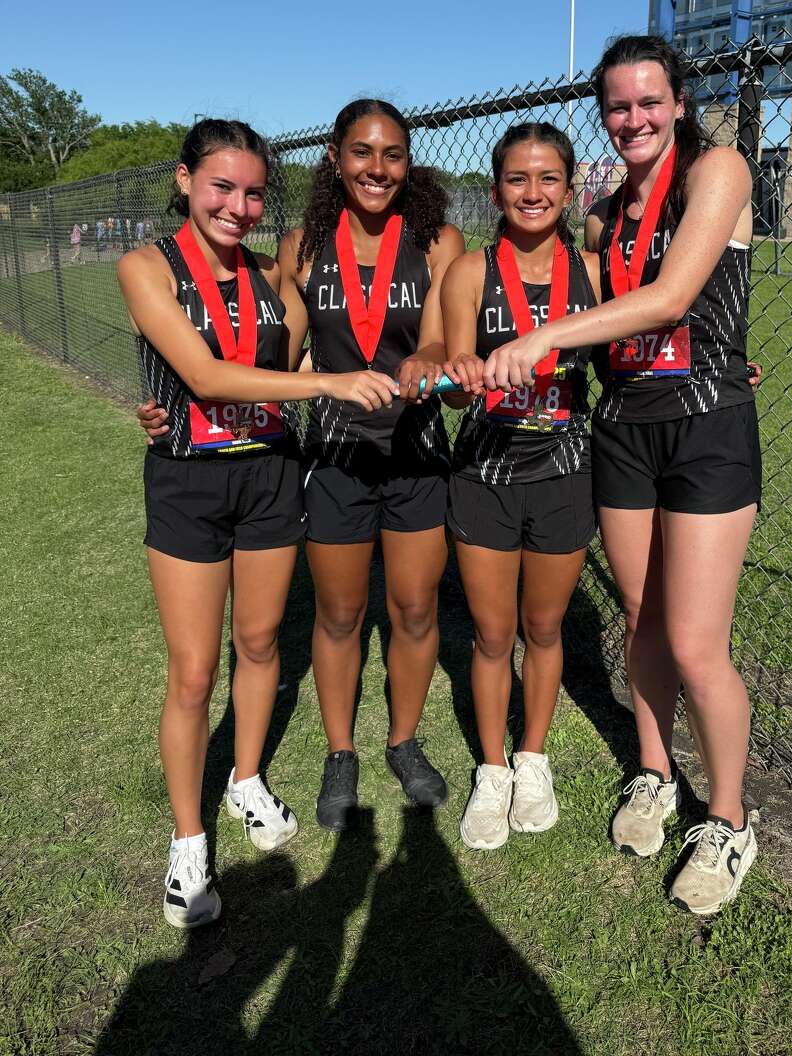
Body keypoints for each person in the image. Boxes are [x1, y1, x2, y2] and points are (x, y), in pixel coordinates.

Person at [483, 35, 761, 915]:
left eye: (649, 101)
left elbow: (677, 297)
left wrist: (544, 338)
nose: (634, 118)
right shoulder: (608, 208)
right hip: (625, 430)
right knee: (641, 614)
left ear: (678, 101)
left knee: (695, 642)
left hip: (706, 432)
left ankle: (728, 819)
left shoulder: (716, 170)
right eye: (617, 105)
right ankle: (653, 771)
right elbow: (609, 295)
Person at [118, 119, 398, 929]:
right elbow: (203, 377)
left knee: (261, 644)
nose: (237, 206)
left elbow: (302, 355)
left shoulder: (275, 278)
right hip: (189, 484)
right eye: (220, 188)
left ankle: (244, 778)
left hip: (272, 475)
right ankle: (188, 837)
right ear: (184, 181)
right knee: (194, 671)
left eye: (250, 192)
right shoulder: (146, 267)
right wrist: (334, 386)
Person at [276, 99, 464, 830]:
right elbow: (281, 354)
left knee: (414, 609)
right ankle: (340, 750)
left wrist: (429, 356)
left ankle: (404, 740)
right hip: (335, 455)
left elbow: (446, 344)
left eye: (391, 154)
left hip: (417, 453)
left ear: (407, 163)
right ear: (334, 156)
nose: (377, 168)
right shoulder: (303, 247)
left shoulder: (437, 241)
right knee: (341, 611)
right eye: (362, 152)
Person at [441, 123, 601, 849]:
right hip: (485, 474)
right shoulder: (472, 273)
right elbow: (449, 382)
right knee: (492, 632)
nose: (532, 193)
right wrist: (460, 376)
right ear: (497, 187)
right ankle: (494, 770)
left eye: (547, 179)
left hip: (565, 473)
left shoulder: (593, 273)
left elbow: (628, 360)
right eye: (516, 179)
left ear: (569, 189)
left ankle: (533, 757)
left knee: (543, 628)